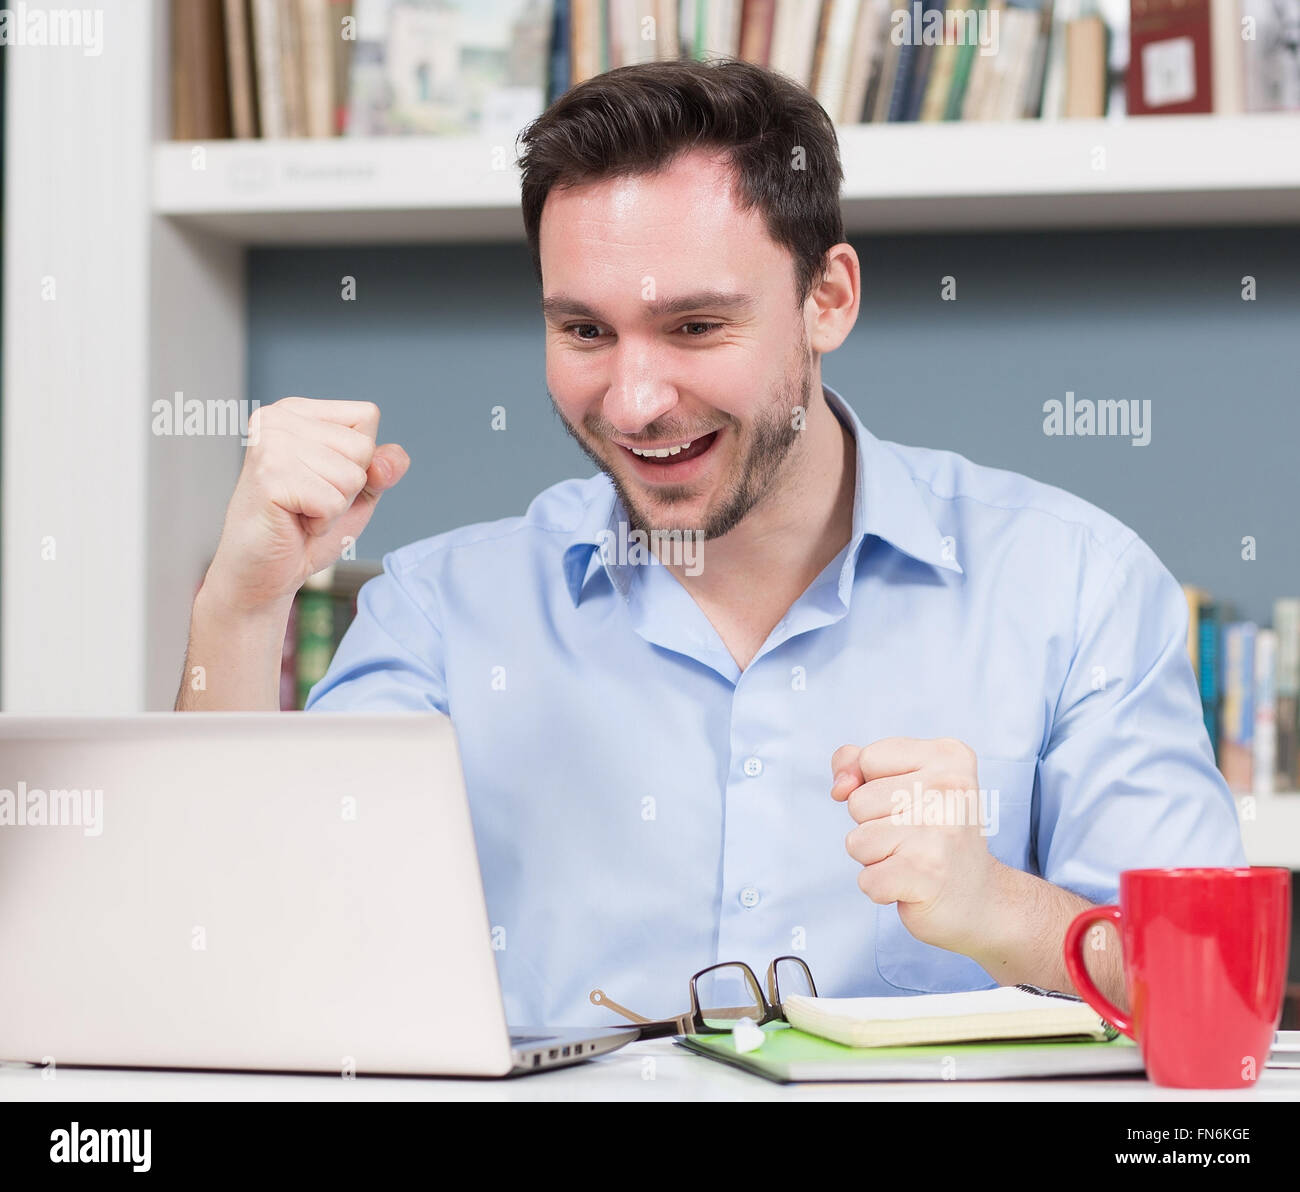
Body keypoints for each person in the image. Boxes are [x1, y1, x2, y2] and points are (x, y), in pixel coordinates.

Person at [177, 59, 1244, 1028]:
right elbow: (231, 952)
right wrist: (240, 604)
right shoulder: (440, 612)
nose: (636, 400)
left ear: (827, 299)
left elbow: (1212, 1000)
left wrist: (1004, 913)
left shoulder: (1075, 587)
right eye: (584, 331)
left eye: (695, 328)